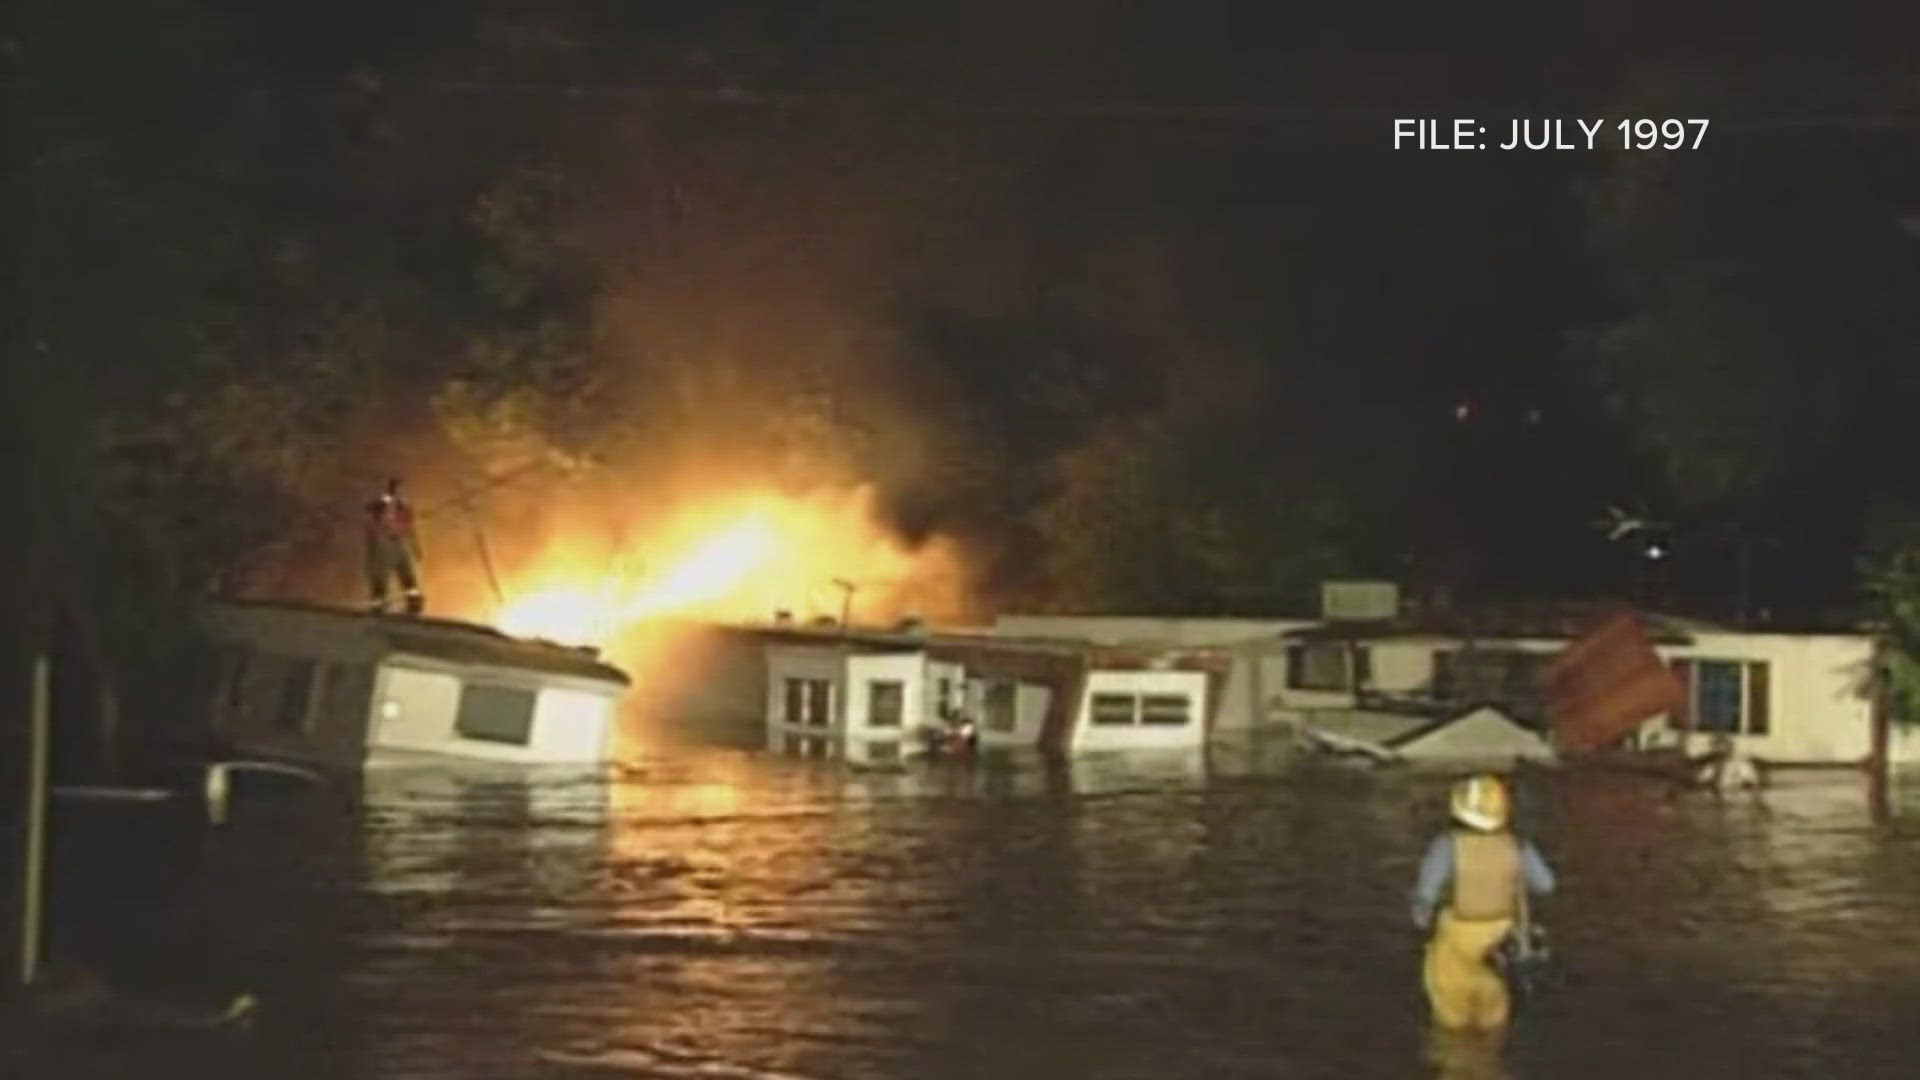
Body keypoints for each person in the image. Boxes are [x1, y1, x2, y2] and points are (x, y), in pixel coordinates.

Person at [1410, 774, 1556, 1032]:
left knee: (1451, 1029)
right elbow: (1546, 884)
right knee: (1493, 1028)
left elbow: (1425, 897)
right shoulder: (1518, 844)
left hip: (1455, 946)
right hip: (1500, 946)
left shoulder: (1446, 845)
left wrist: (1421, 923)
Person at [364, 477, 425, 615]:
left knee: (407, 575)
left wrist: (416, 547)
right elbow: (372, 512)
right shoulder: (383, 503)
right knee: (380, 576)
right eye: (396, 489)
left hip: (400, 543)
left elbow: (410, 529)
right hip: (384, 543)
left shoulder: (405, 507)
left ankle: (413, 604)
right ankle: (379, 605)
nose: (399, 492)